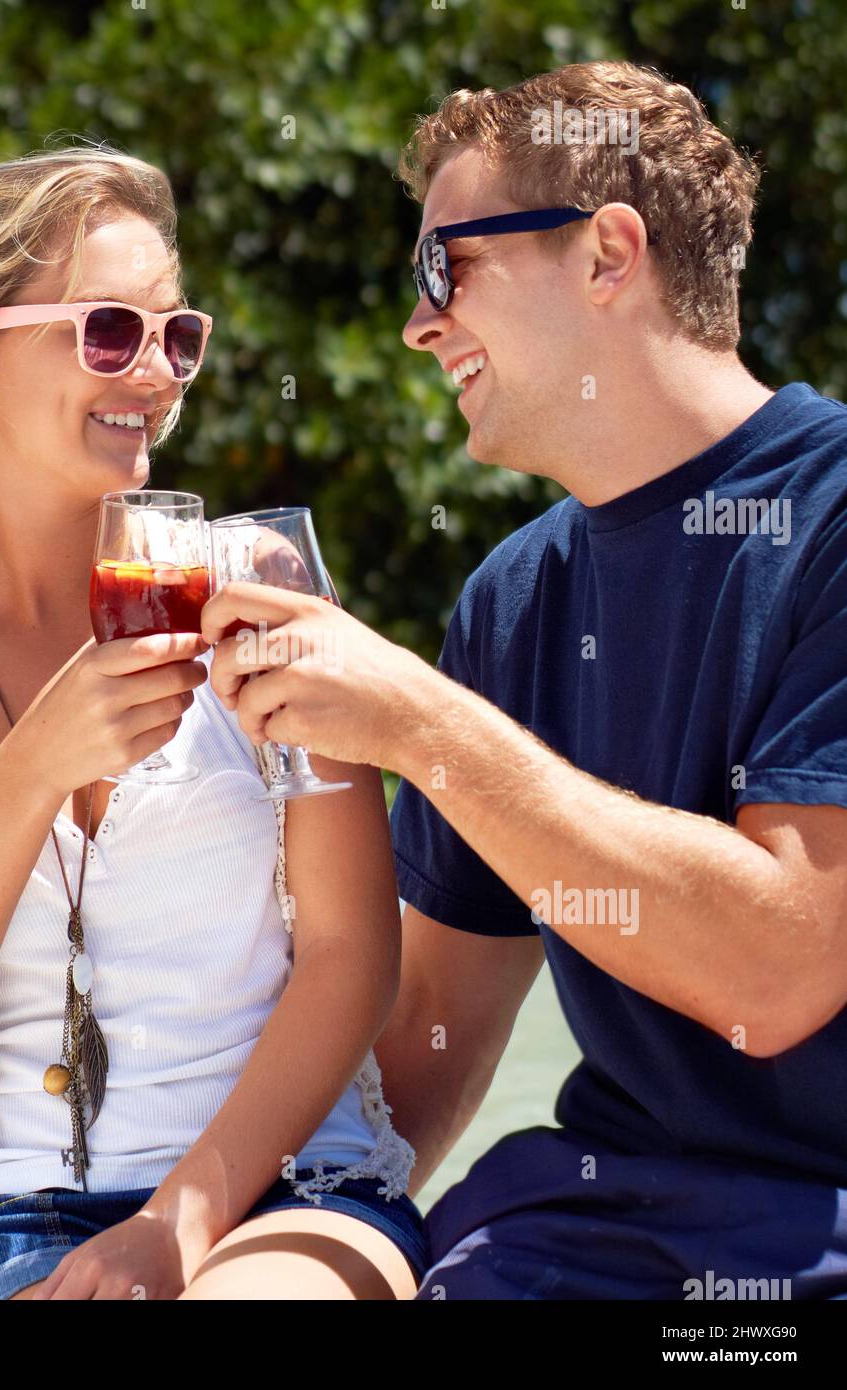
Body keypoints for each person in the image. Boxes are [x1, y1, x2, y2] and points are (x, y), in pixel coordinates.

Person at [0, 144, 427, 1300]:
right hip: (7, 1221)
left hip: (289, 1189)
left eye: (177, 335)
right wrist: (37, 762)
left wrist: (174, 1228)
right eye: (109, 329)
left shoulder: (258, 591)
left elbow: (356, 959)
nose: (156, 371)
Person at [201, 61, 847, 1299]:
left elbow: (775, 974)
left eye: (448, 265)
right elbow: (427, 1048)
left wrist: (413, 719)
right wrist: (198, 1217)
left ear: (608, 254)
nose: (417, 322)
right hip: (573, 1232)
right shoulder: (513, 596)